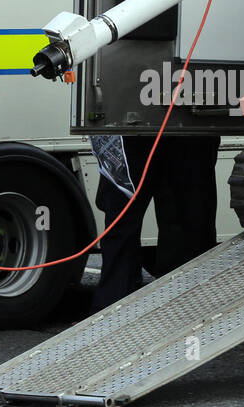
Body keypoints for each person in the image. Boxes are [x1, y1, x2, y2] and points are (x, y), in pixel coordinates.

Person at [89, 133, 219, 311]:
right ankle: (183, 305)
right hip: (172, 129)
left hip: (166, 129)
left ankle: (115, 306)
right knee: (186, 222)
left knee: (186, 223)